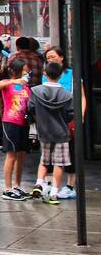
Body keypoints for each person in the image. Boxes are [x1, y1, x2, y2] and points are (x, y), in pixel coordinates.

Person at [29, 62, 74, 205]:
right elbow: (70, 114)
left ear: (44, 73)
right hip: (61, 133)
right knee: (59, 164)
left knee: (44, 160)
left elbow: (30, 108)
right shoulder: (67, 95)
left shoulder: (36, 91)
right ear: (61, 75)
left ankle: (39, 183)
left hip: (44, 131)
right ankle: (54, 192)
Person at [43, 45, 85, 199]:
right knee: (49, 152)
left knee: (70, 151)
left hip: (68, 118)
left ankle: (69, 186)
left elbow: (81, 97)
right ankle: (49, 185)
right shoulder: (45, 75)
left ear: (61, 57)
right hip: (50, 121)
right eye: (48, 58)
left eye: (53, 56)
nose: (50, 59)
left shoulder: (72, 75)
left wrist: (80, 116)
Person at [0, 57, 32, 200]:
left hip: (23, 123)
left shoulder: (26, 87)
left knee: (21, 155)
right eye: (25, 70)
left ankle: (17, 185)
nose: (27, 72)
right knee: (11, 155)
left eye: (28, 70)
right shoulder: (7, 83)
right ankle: (7, 188)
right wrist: (14, 81)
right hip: (10, 122)